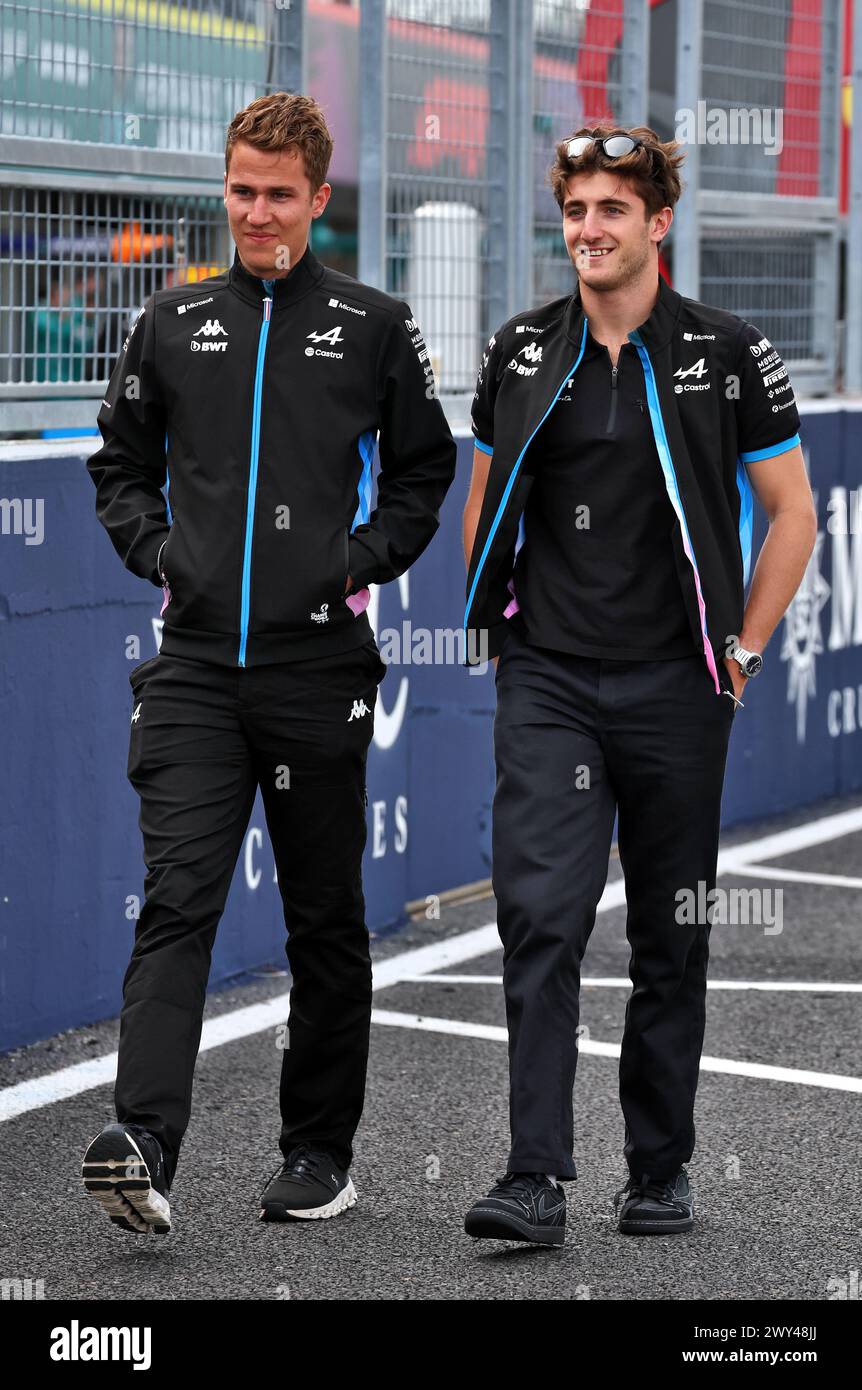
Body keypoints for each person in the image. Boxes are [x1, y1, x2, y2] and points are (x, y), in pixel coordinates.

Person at [81, 92, 456, 1235]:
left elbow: (423, 474)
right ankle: (142, 1140)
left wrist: (352, 561)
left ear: (318, 198)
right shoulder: (174, 320)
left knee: (324, 918)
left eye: (278, 194)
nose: (256, 212)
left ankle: (317, 1152)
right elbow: (119, 464)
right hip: (192, 667)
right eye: (241, 189)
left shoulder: (376, 325)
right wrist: (162, 552)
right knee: (178, 902)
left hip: (315, 671)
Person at [461, 124, 816, 1247]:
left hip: (678, 680)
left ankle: (659, 1168)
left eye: (613, 209)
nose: (589, 230)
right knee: (540, 914)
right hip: (552, 677)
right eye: (575, 211)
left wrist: (743, 650)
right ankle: (535, 1177)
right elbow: (485, 494)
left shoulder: (726, 348)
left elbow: (793, 514)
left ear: (658, 223)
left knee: (672, 930)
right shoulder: (523, 349)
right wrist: (499, 630)